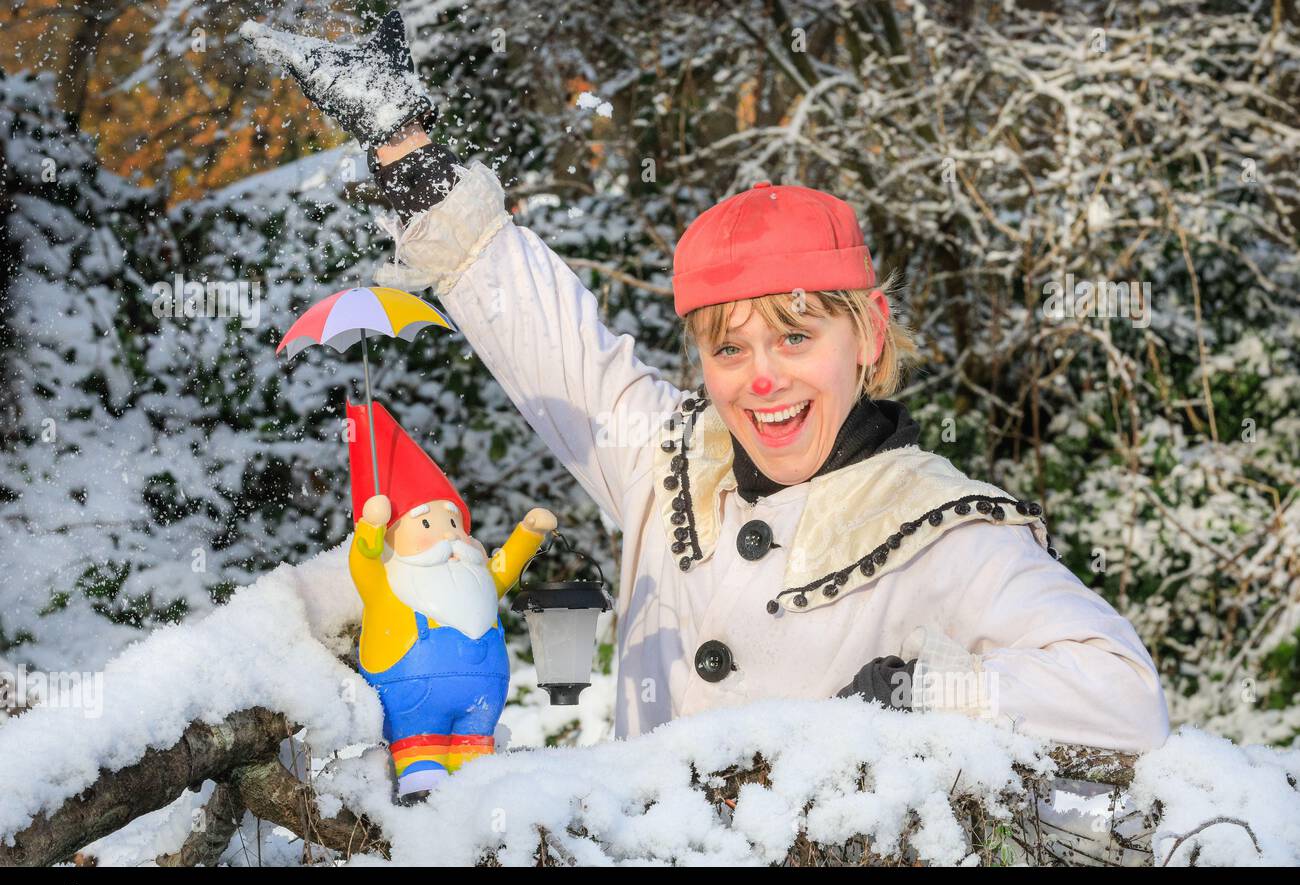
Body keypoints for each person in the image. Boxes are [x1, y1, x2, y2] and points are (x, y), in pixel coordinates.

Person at [242, 12, 1170, 753]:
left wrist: (919, 692)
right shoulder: (669, 462)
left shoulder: (937, 525)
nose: (761, 381)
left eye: (796, 336)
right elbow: (524, 315)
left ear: (868, 334)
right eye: (729, 350)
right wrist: (407, 146)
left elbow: (1122, 695)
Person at [345, 400, 556, 799]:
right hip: (413, 703)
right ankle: (421, 782)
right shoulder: (390, 581)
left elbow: (503, 570)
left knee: (476, 770)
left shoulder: (474, 577)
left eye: (455, 521)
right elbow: (362, 561)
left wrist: (527, 534)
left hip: (481, 704)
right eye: (428, 523)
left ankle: (474, 781)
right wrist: (370, 529)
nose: (450, 535)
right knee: (424, 768)